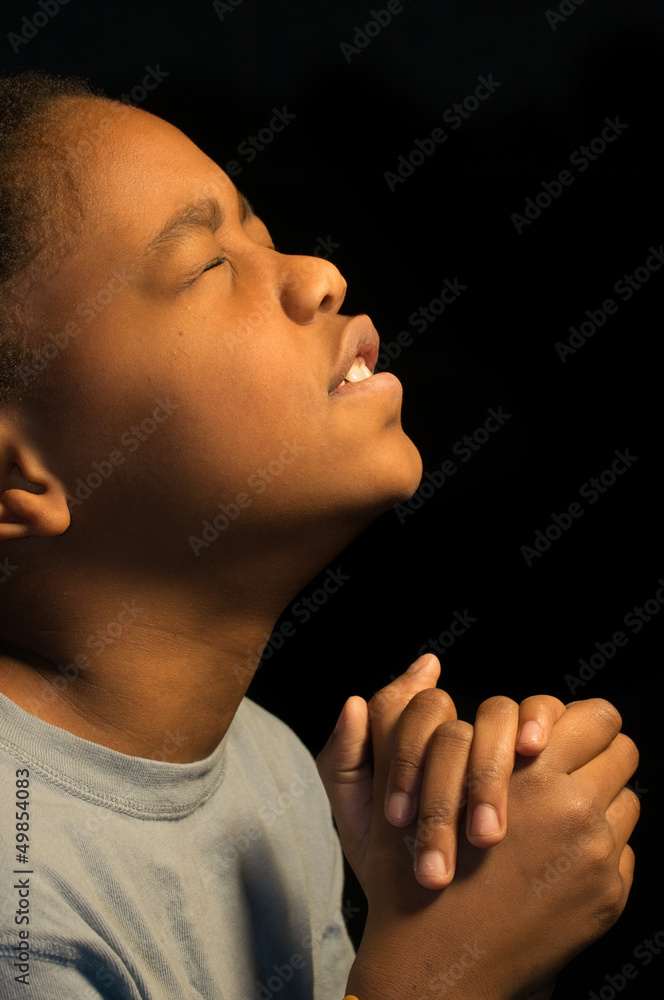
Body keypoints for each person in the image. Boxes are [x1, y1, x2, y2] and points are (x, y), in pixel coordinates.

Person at [0, 70, 639, 1000]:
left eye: (259, 229)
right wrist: (447, 975)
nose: (318, 274)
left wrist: (451, 895)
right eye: (208, 267)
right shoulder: (23, 909)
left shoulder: (268, 769)